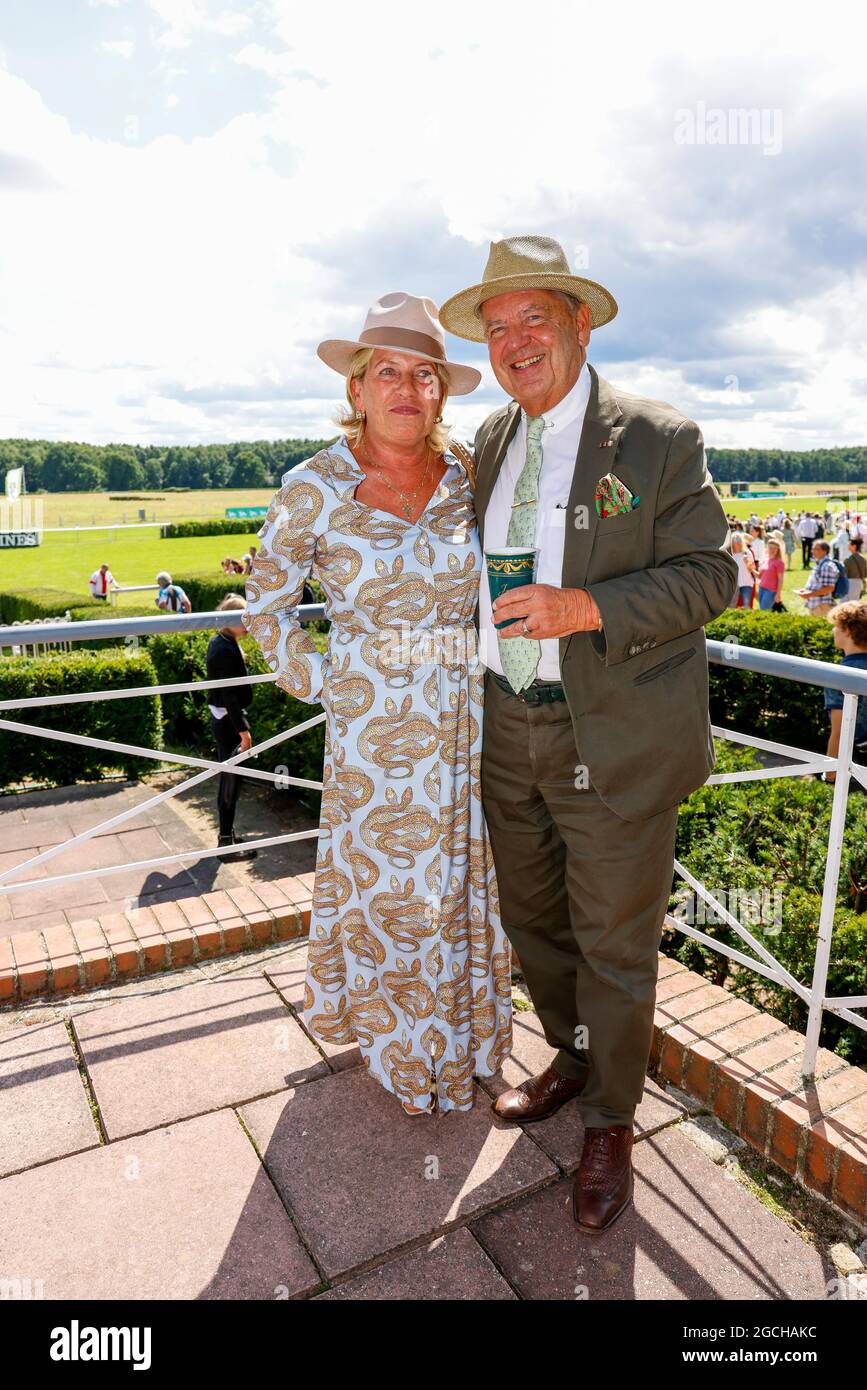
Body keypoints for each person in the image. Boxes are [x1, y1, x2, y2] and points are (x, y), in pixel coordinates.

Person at [438, 236, 737, 1233]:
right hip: (502, 721)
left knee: (616, 943)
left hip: (607, 734)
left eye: (533, 319)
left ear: (580, 322)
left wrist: (585, 608)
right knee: (536, 924)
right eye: (497, 328)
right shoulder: (489, 438)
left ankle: (612, 1117)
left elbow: (709, 577)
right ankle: (572, 1056)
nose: (515, 342)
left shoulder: (656, 437)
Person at [243, 291, 512, 1118]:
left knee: (467, 886)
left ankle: (469, 1042)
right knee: (397, 892)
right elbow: (265, 605)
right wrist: (332, 684)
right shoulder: (312, 485)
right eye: (386, 372)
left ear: (441, 391)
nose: (406, 388)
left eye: (423, 374)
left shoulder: (470, 474)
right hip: (372, 741)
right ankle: (406, 1054)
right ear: (357, 388)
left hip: (467, 722)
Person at [206, 595, 259, 863]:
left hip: (225, 719)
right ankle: (225, 843)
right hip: (229, 723)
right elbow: (229, 696)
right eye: (243, 619)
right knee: (230, 781)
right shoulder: (224, 649)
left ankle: (227, 837)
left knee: (230, 779)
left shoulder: (223, 642)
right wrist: (244, 731)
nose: (248, 623)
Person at [822, 601, 867, 784]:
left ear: (847, 630)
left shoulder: (839, 676)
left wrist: (830, 774)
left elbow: (840, 732)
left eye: (836, 626)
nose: (833, 631)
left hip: (857, 764)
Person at [797, 540, 839, 618]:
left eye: (817, 549)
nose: (813, 551)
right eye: (813, 549)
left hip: (822, 605)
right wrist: (806, 590)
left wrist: (809, 594)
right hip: (816, 604)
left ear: (825, 551)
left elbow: (829, 588)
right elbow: (817, 584)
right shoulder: (820, 564)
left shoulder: (827, 566)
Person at [730, 532, 758, 607]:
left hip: (746, 583)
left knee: (746, 605)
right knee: (731, 606)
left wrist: (747, 562)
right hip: (734, 585)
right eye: (735, 542)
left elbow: (752, 569)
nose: (737, 544)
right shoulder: (730, 555)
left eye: (739, 542)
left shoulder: (747, 553)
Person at [757, 537, 786, 610]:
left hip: (770, 591)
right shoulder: (765, 560)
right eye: (770, 548)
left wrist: (778, 594)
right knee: (761, 609)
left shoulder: (779, 562)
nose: (772, 550)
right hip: (761, 589)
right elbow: (759, 576)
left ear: (778, 550)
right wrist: (750, 568)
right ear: (767, 548)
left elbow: (780, 580)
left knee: (764, 610)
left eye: (775, 548)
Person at [845, 537, 867, 601]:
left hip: (849, 583)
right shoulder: (863, 558)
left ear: (854, 546)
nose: (848, 545)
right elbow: (865, 574)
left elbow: (844, 573)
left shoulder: (848, 558)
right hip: (859, 583)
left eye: (849, 544)